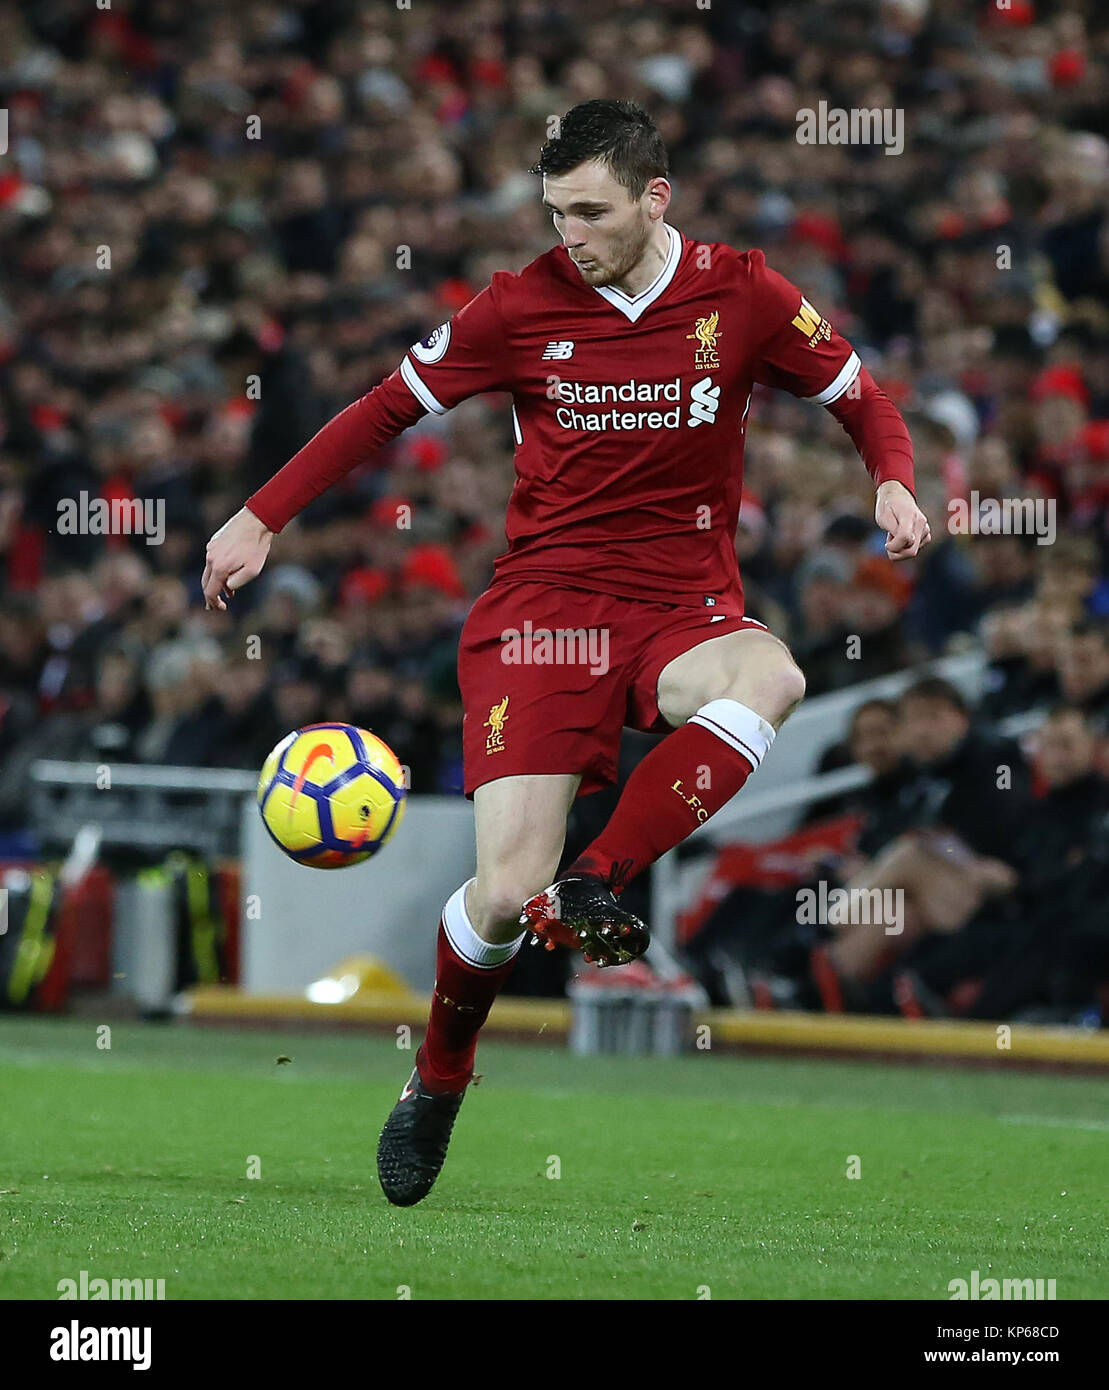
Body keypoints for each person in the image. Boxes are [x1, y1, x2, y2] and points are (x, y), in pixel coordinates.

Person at [201, 100, 930, 1205]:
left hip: (682, 600)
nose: (569, 235)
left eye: (588, 212)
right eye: (553, 213)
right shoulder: (517, 305)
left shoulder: (740, 293)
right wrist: (260, 515)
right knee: (501, 891)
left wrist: (891, 476)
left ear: (654, 198)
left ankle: (601, 875)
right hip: (542, 616)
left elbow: (858, 393)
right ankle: (440, 1073)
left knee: (771, 673)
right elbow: (382, 410)